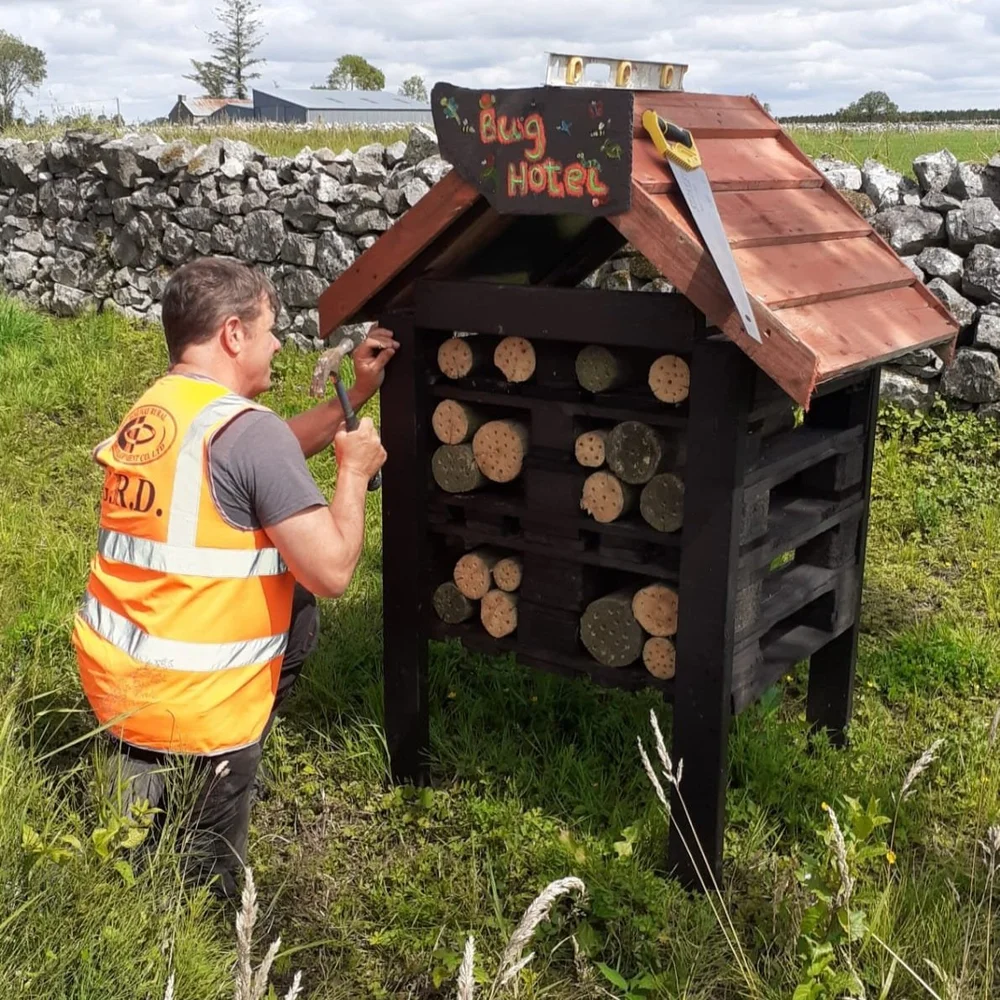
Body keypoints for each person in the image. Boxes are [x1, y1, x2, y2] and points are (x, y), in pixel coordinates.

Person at [71, 257, 396, 899]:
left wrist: (355, 395)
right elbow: (332, 570)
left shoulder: (157, 409)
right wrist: (354, 473)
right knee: (203, 897)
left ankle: (139, 817)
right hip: (199, 705)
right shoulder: (248, 433)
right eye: (269, 329)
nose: (277, 344)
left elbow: (264, 453)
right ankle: (206, 866)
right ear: (233, 333)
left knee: (122, 878)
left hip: (117, 688)